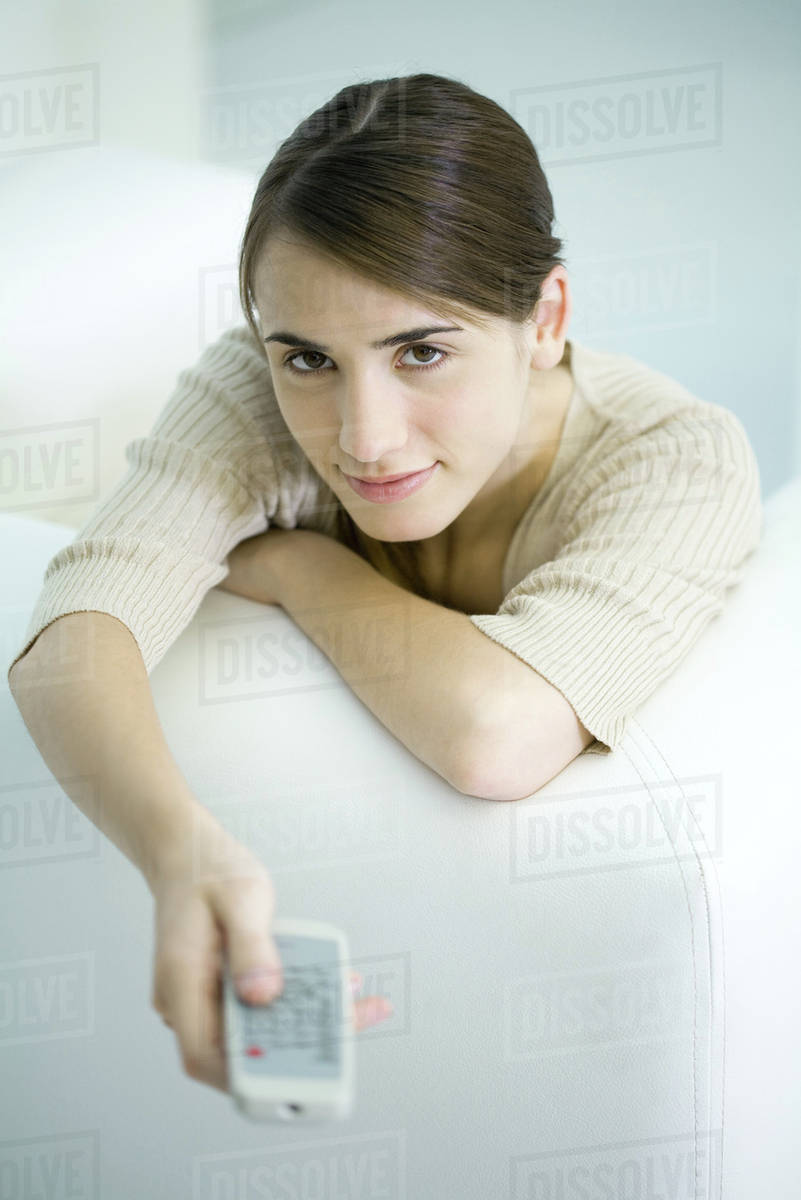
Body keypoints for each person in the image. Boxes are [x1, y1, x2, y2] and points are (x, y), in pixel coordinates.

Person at [7, 72, 763, 1097]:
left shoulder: (673, 459)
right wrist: (181, 856)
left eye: (422, 351)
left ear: (546, 319)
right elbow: (71, 634)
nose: (364, 439)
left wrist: (296, 565)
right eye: (309, 358)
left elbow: (495, 736)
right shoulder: (253, 391)